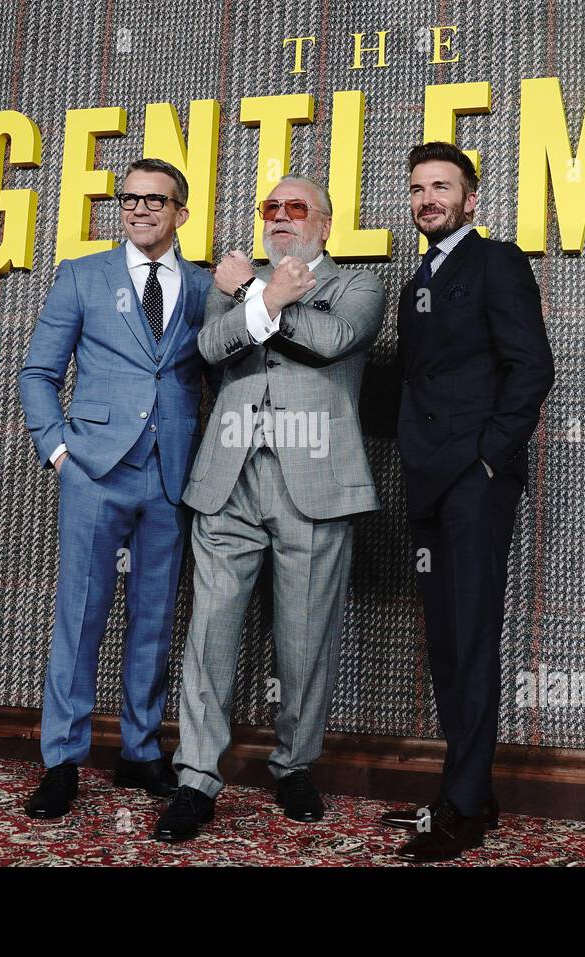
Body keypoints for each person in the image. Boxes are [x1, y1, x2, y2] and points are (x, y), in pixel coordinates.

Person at [153, 175, 384, 842]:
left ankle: (294, 765)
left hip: (314, 484)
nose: (281, 218)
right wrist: (261, 297)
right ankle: (196, 777)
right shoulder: (227, 286)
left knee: (306, 638)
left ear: (326, 225)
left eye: (297, 208)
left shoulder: (356, 286)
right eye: (271, 208)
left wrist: (257, 293)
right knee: (210, 637)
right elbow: (211, 347)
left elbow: (328, 340)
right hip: (228, 480)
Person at [17, 158, 215, 818]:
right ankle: (63, 760)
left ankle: (139, 748)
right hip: (94, 471)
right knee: (80, 613)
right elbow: (38, 372)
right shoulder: (81, 275)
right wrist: (60, 452)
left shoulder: (205, 284)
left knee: (155, 618)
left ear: (180, 213)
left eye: (155, 200)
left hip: (170, 472)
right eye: (129, 198)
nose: (138, 209)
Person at [379, 142, 555, 861]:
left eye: (441, 187)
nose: (427, 199)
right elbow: (413, 385)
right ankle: (467, 788)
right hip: (425, 479)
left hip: (475, 485)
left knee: (474, 637)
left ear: (470, 198)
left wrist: (488, 460)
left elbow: (532, 367)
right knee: (448, 640)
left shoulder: (497, 262)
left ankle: (462, 802)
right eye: (418, 187)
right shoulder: (415, 279)